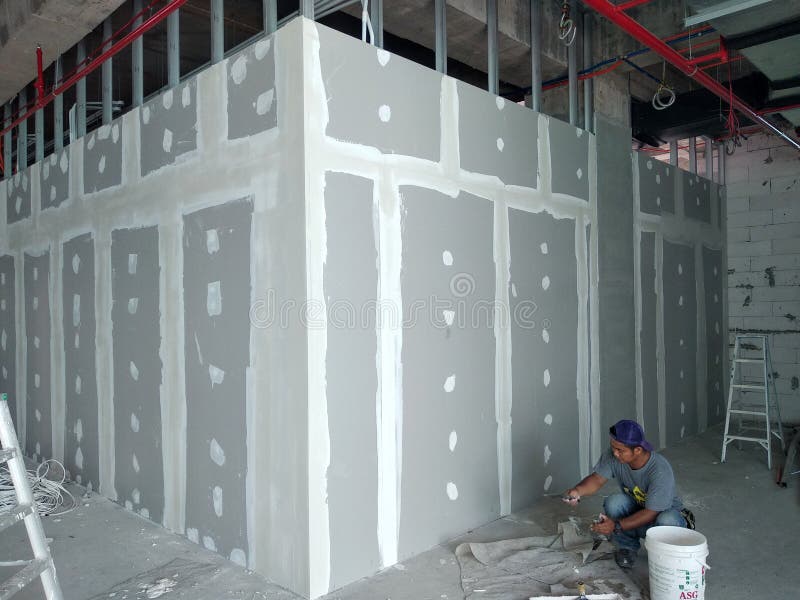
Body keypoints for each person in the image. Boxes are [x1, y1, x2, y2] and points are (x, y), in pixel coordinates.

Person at [562, 419, 693, 569]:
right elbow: (597, 479)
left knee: (667, 519)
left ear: (637, 450)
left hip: (665, 517)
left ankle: (669, 556)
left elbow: (651, 512)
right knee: (614, 503)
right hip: (641, 510)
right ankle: (627, 548)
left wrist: (616, 526)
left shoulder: (659, 470)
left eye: (620, 450)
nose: (615, 454)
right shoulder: (615, 456)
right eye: (613, 448)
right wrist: (577, 491)